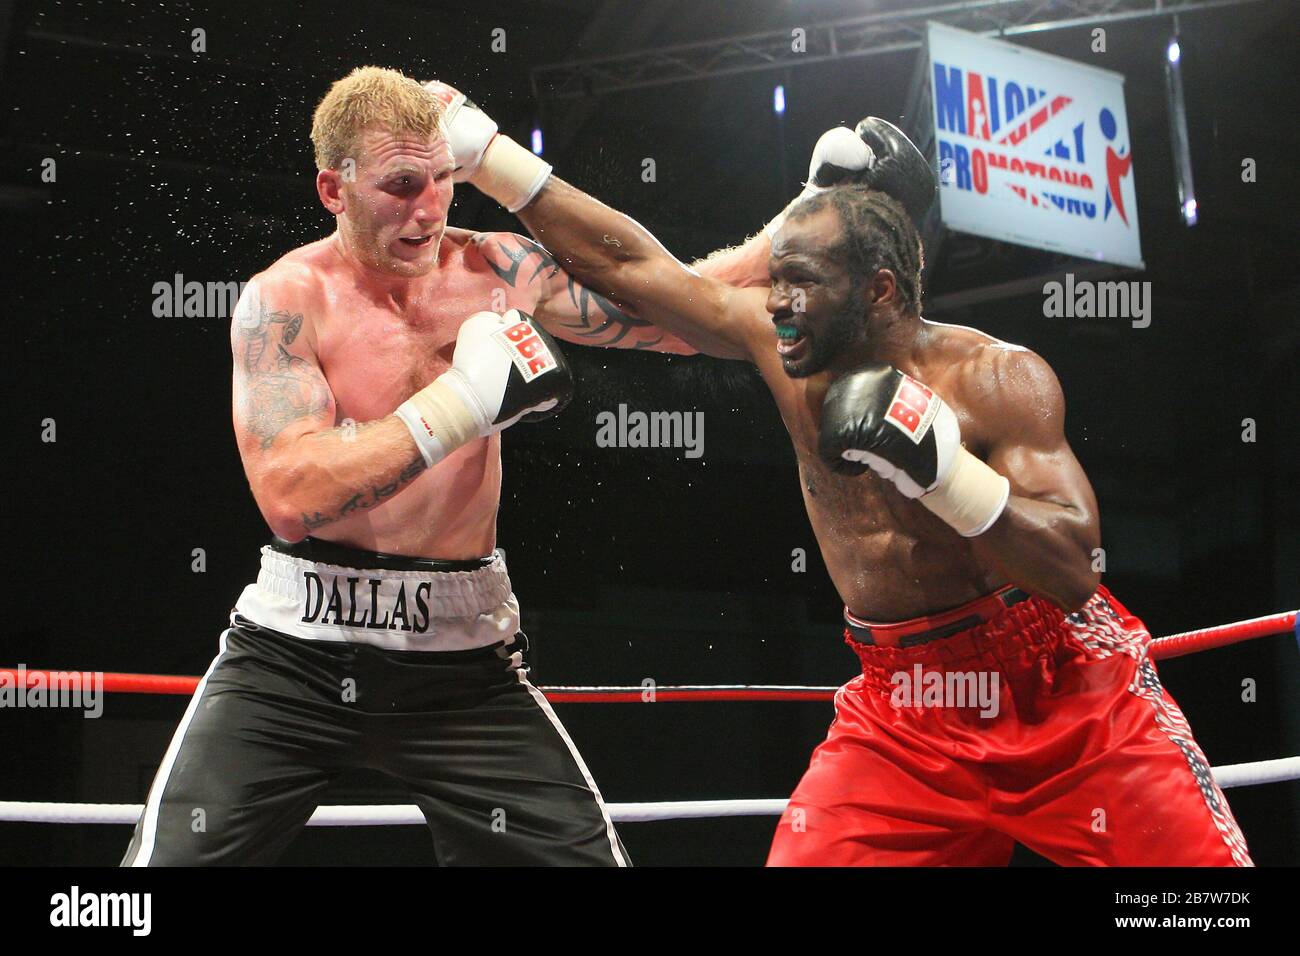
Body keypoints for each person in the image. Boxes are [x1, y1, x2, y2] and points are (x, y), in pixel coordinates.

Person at [453, 96, 1253, 866]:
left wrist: (943, 472)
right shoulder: (776, 340)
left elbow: (1076, 567)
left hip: (1062, 691)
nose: (778, 304)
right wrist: (491, 156)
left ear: (879, 290)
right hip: (904, 705)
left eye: (802, 283)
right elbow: (631, 266)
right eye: (778, 281)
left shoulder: (997, 379)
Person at [121, 66, 760, 866]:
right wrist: (463, 400)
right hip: (294, 657)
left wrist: (807, 221)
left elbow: (681, 312)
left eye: (444, 179)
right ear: (334, 189)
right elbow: (291, 494)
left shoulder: (495, 269)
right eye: (399, 185)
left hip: (464, 665)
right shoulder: (285, 299)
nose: (427, 210)